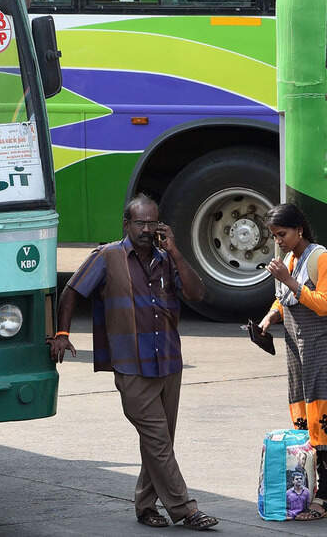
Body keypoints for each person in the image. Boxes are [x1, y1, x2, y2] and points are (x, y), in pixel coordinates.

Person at [48, 193, 219, 531]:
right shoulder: (108, 256)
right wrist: (62, 333)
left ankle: (145, 505)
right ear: (126, 224)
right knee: (157, 439)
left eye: (152, 222)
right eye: (140, 222)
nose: (146, 229)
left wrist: (175, 251)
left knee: (160, 443)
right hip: (131, 364)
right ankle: (185, 509)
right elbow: (71, 292)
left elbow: (197, 293)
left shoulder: (166, 258)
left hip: (168, 361)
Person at [258, 202, 327, 521]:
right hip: (298, 348)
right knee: (304, 417)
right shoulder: (289, 258)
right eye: (274, 236)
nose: (279, 241)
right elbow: (284, 299)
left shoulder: (321, 259)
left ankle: (326, 495)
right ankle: (315, 488)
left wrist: (288, 280)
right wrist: (272, 314)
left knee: (326, 418)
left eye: (282, 234)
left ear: (299, 229)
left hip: (325, 348)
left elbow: (325, 305)